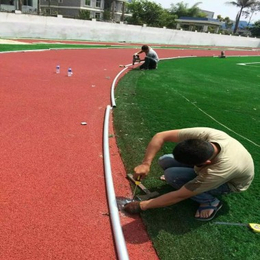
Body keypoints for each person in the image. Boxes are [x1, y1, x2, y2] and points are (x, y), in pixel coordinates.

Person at [124, 127, 254, 221]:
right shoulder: (207, 135)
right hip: (216, 165)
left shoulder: (218, 170)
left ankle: (210, 202)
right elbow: (160, 136)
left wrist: (143, 205)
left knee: (172, 176)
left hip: (229, 183)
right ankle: (184, 177)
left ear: (207, 162)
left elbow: (179, 196)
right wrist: (145, 164)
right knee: (165, 160)